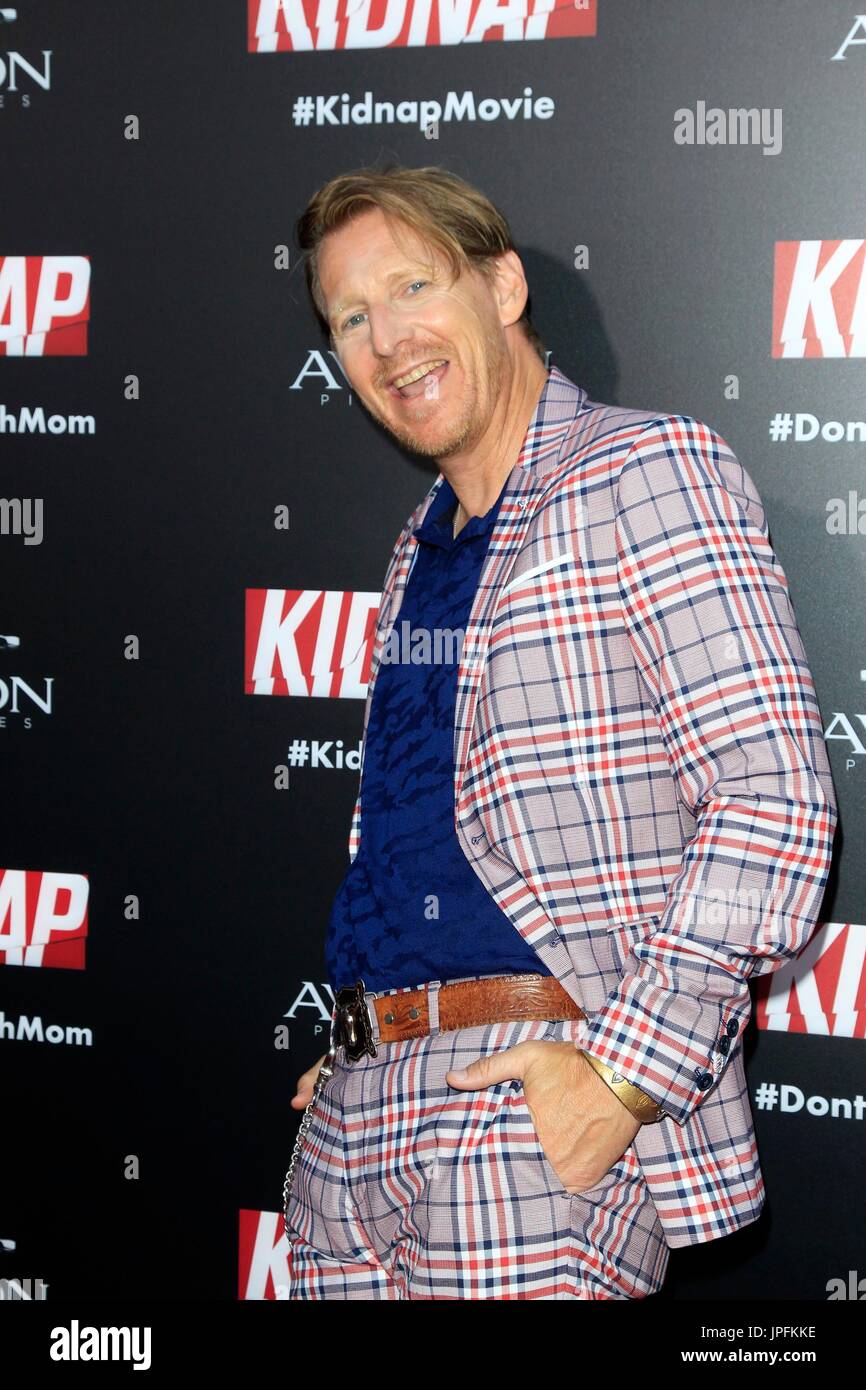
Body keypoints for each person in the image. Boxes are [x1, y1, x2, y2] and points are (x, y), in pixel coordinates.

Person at [282, 163, 838, 1300]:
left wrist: (619, 1081)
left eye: (411, 286)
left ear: (502, 285)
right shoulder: (418, 546)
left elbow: (773, 801)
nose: (386, 340)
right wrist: (376, 1028)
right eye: (349, 317)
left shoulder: (641, 473)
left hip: (523, 1122)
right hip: (354, 1125)